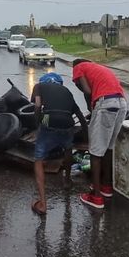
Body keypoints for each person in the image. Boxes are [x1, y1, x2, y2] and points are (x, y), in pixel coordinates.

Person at [71, 59, 127, 210]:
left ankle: (96, 196)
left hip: (106, 103)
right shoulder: (98, 67)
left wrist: (92, 107)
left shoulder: (79, 67)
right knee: (109, 147)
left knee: (95, 152)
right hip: (121, 103)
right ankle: (106, 187)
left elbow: (87, 91)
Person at [30, 72, 87, 216]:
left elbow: (37, 106)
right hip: (68, 122)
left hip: (50, 118)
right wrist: (86, 134)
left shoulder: (39, 86)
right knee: (67, 149)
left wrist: (37, 125)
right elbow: (79, 115)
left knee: (38, 158)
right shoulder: (66, 91)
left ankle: (42, 203)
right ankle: (67, 181)